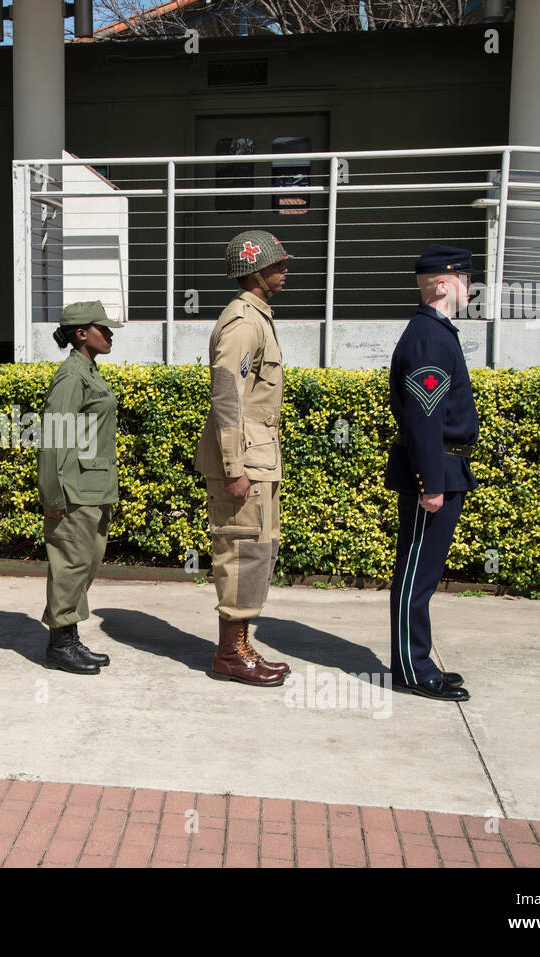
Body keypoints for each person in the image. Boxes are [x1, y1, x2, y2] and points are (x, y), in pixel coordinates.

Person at [193, 230, 293, 687]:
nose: (284, 270)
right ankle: (229, 654)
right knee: (239, 550)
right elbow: (227, 399)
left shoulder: (257, 317)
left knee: (256, 549)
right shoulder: (242, 323)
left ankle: (240, 643)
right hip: (245, 461)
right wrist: (234, 467)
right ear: (254, 272)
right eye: (276, 264)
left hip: (258, 457)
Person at [385, 244, 480, 702]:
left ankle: (414, 660)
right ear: (443, 284)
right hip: (436, 468)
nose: (470, 289)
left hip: (445, 464)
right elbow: (424, 418)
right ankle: (411, 668)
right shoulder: (429, 337)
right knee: (416, 576)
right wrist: (431, 484)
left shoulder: (435, 332)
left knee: (422, 572)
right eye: (464, 281)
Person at [37, 301, 123, 675]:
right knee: (70, 565)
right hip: (73, 490)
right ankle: (60, 644)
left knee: (84, 564)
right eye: (102, 328)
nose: (110, 334)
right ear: (80, 334)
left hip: (93, 487)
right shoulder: (72, 376)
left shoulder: (89, 371)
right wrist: (53, 496)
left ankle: (69, 636)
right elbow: (55, 438)